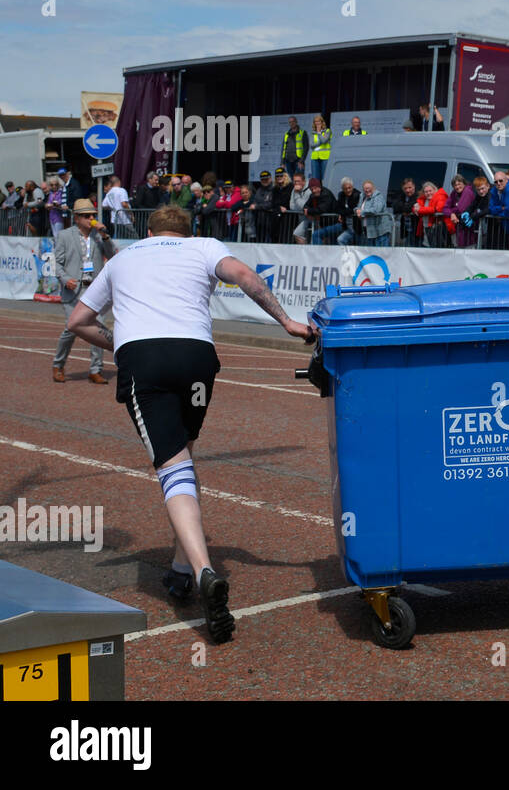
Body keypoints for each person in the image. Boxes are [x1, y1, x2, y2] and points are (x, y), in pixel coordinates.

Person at [66, 205, 318, 644]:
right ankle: (181, 571)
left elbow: (77, 321)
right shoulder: (204, 246)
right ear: (188, 231)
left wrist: (118, 344)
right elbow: (246, 276)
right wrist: (287, 322)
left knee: (171, 468)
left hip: (146, 358)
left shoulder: (123, 257)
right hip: (198, 357)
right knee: (184, 457)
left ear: (150, 230)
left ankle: (202, 570)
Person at [52, 199, 116, 384]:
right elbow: (58, 264)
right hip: (73, 291)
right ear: (77, 218)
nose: (91, 219)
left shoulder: (98, 236)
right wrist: (65, 279)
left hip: (93, 289)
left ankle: (95, 370)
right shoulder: (65, 235)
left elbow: (112, 256)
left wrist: (104, 236)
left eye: (93, 215)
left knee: (97, 328)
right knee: (70, 329)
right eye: (87, 216)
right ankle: (58, 364)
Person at [295, 179, 337, 244]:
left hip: (332, 223)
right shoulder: (312, 195)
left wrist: (309, 211)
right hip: (321, 222)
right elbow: (305, 206)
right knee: (298, 233)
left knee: (320, 237)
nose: (314, 191)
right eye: (311, 189)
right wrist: (308, 212)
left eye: (315, 188)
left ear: (319, 187)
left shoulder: (326, 194)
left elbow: (322, 209)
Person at [487, 170, 509, 249]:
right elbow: (491, 208)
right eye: (496, 182)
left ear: (506, 180)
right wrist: (501, 208)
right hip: (504, 228)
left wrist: (498, 213)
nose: (498, 183)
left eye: (500, 181)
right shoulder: (494, 190)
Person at [441, 174, 476, 248]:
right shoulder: (454, 193)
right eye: (455, 185)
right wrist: (451, 214)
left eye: (459, 184)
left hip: (469, 228)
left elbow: (461, 209)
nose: (457, 187)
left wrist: (452, 211)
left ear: (464, 183)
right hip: (459, 228)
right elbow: (445, 208)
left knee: (469, 250)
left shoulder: (467, 191)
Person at [357, 180, 393, 246]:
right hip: (369, 231)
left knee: (382, 253)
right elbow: (358, 207)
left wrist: (362, 212)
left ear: (373, 188)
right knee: (372, 253)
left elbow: (376, 210)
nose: (367, 190)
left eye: (369, 188)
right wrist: (356, 211)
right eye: (365, 189)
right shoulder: (363, 197)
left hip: (380, 231)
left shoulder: (378, 196)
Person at [414, 181, 449, 247]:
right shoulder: (424, 199)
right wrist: (415, 209)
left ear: (435, 190)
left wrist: (420, 210)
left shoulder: (440, 197)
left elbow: (437, 209)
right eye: (426, 192)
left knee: (435, 247)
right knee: (427, 246)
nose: (428, 193)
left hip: (437, 228)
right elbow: (416, 207)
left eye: (430, 191)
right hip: (425, 228)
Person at [333, 177, 363, 246]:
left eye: (349, 188)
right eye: (345, 189)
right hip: (347, 227)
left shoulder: (357, 195)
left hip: (358, 227)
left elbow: (352, 210)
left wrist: (343, 212)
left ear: (352, 187)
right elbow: (337, 208)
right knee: (340, 239)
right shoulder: (341, 195)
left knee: (359, 247)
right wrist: (342, 212)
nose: (348, 190)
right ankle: (346, 256)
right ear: (342, 189)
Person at [308, 115, 331, 185]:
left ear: (322, 122)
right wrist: (319, 142)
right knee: (315, 178)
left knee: (324, 177)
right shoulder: (312, 133)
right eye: (315, 121)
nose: (317, 123)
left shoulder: (327, 131)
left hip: (325, 157)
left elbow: (324, 140)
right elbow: (311, 145)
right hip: (315, 157)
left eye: (318, 121)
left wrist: (319, 132)